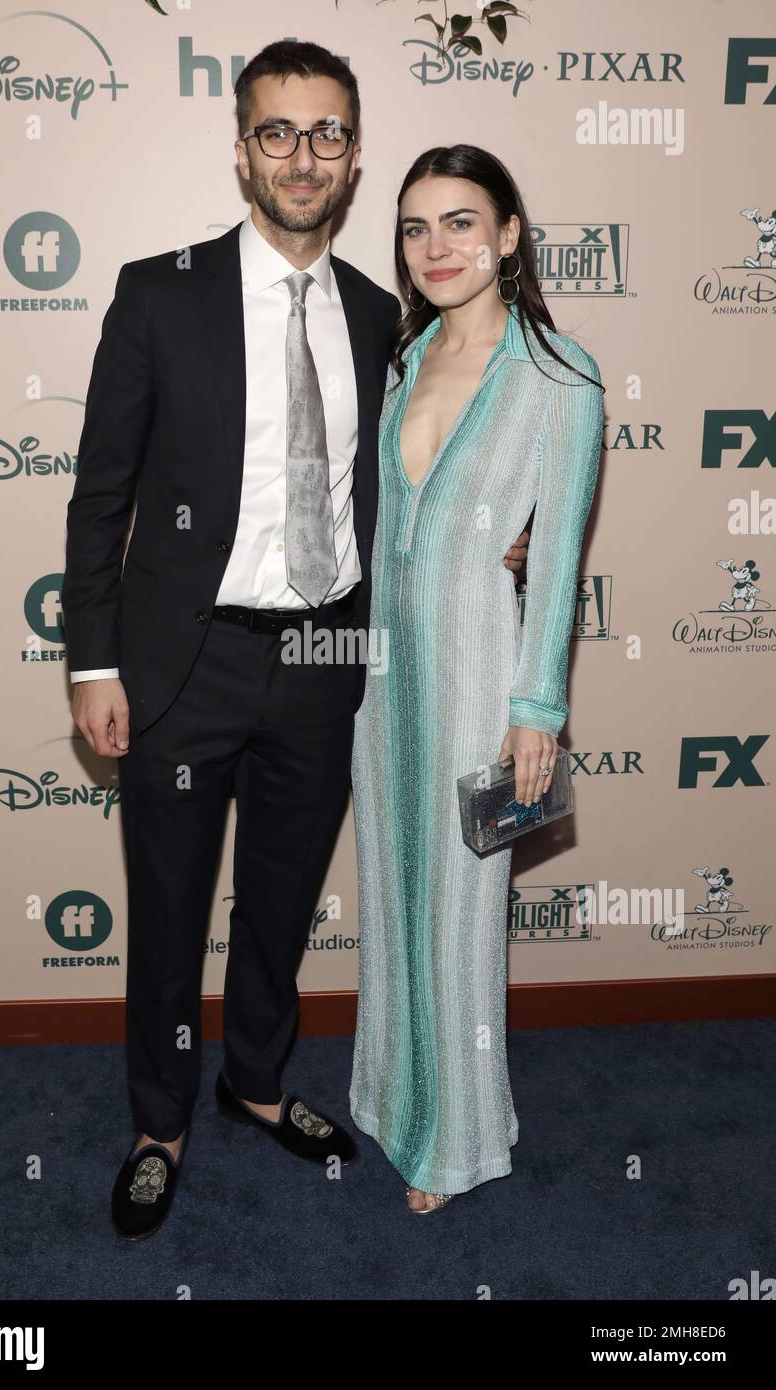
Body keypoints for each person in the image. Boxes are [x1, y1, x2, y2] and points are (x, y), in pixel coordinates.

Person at [61, 41, 530, 1241]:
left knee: (278, 901)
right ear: (241, 149)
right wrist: (92, 661)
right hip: (183, 663)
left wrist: (497, 545)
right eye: (278, 132)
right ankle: (160, 1120)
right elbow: (101, 492)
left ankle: (257, 1084)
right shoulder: (157, 292)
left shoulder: (388, 317)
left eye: (327, 133)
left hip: (328, 659)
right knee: (168, 909)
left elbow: (426, 476)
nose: (303, 156)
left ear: (355, 152)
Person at [349, 144, 605, 1213]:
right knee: (389, 900)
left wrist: (535, 709)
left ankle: (457, 1138)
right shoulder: (403, 361)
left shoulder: (560, 376)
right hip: (377, 683)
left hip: (478, 682)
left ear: (508, 234)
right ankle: (385, 1094)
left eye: (460, 222)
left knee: (458, 922)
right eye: (414, 227)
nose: (435, 247)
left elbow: (554, 563)